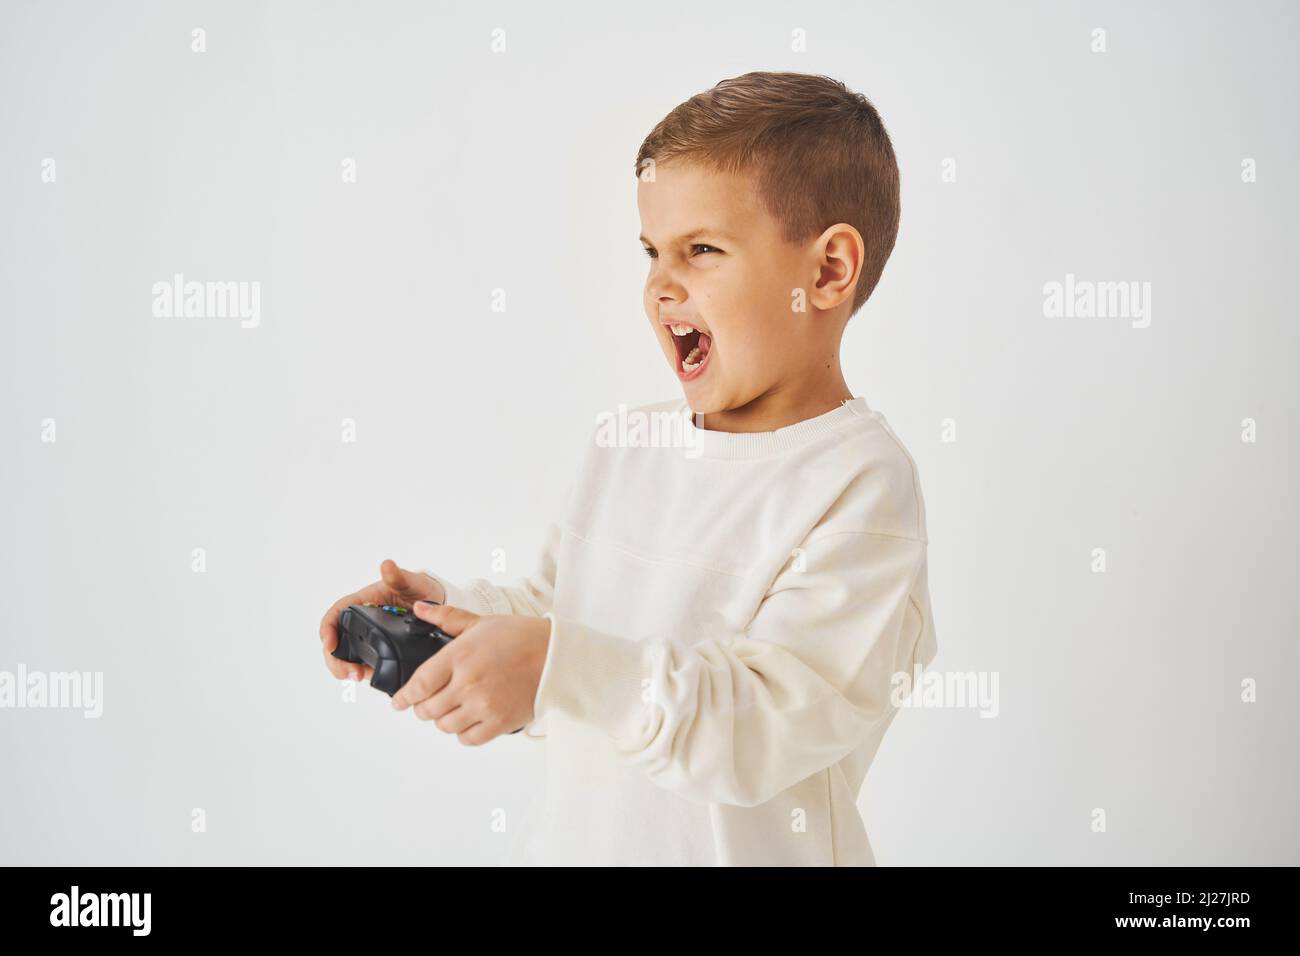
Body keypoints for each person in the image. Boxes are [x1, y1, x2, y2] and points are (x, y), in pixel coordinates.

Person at [319, 71, 937, 866]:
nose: (660, 285)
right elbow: (569, 614)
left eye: (701, 250)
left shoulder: (861, 486)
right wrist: (456, 618)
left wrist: (549, 660)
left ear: (826, 273)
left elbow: (752, 729)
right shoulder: (626, 445)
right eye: (652, 252)